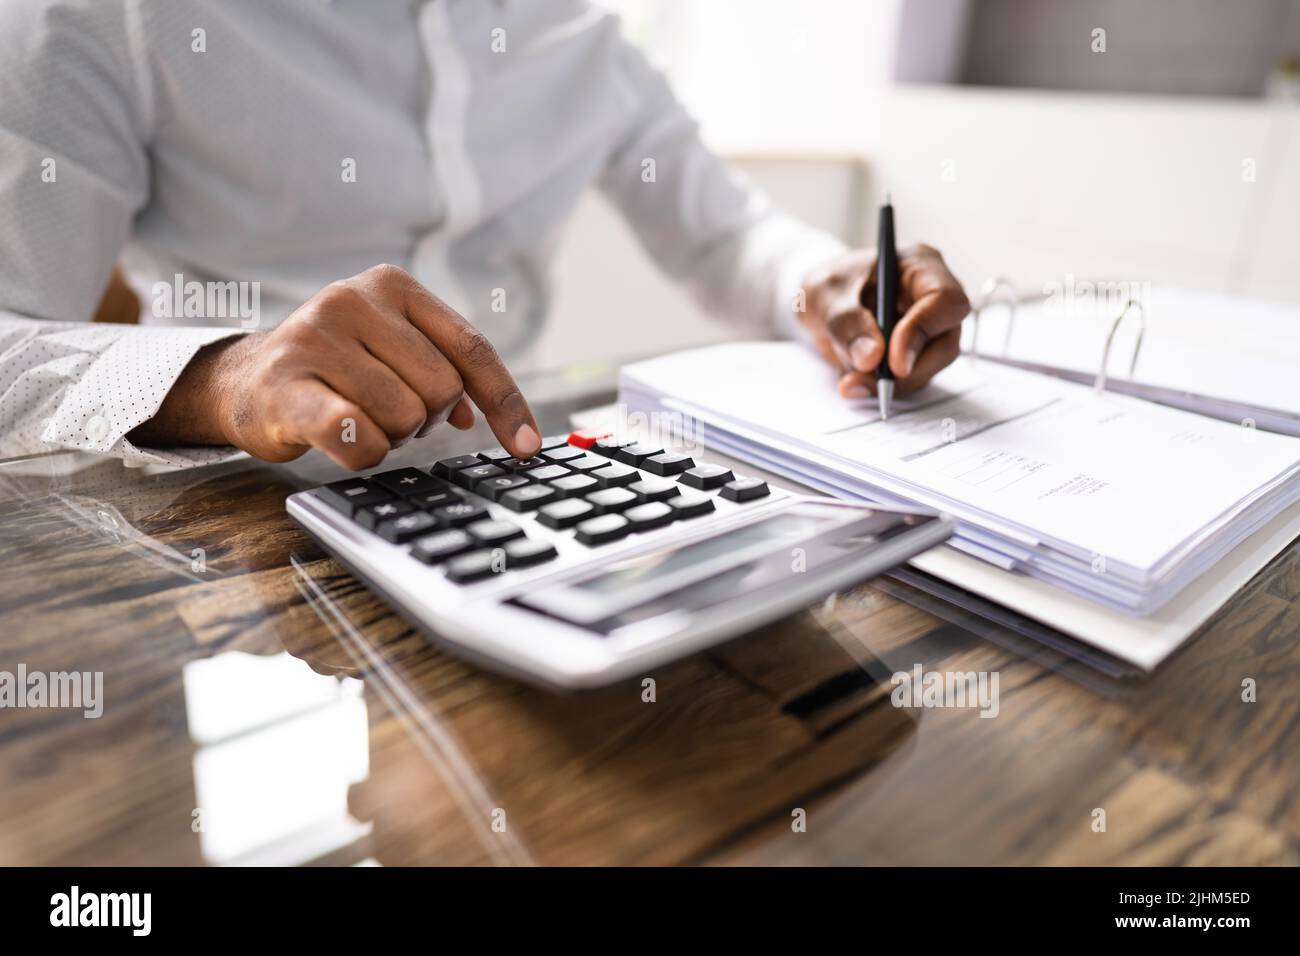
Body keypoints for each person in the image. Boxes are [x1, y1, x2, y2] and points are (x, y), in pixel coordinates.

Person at [0, 0, 969, 471]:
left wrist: (828, 280)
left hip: (524, 487)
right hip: (227, 528)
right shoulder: (97, 17)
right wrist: (221, 375)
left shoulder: (583, 37)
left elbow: (729, 240)